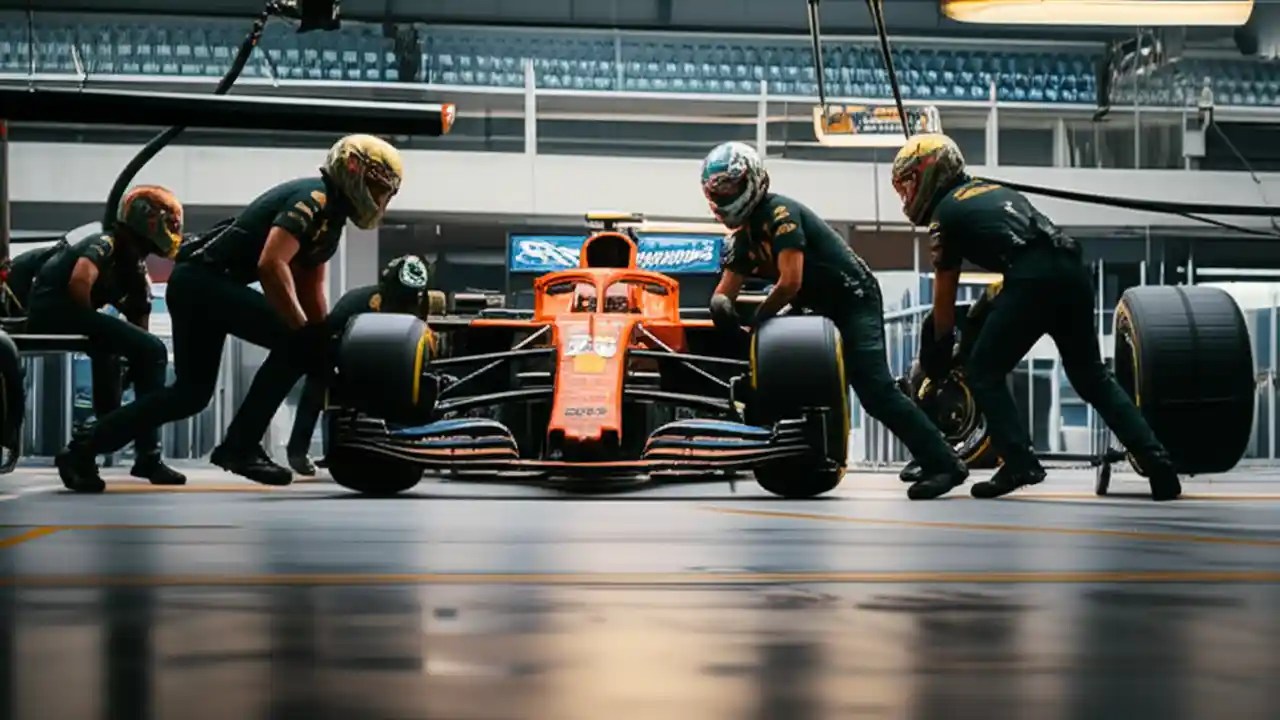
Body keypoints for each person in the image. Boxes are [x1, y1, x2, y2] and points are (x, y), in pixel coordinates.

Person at [55, 134, 405, 491]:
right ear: (353, 169)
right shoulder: (314, 199)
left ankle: (82, 447)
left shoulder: (330, 217)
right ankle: (241, 446)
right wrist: (306, 338)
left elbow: (310, 284)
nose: (379, 198)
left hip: (196, 285)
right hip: (205, 284)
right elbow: (271, 265)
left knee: (190, 394)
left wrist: (322, 340)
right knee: (294, 343)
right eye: (377, 186)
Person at [890, 132, 1181, 501]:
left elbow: (944, 298)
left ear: (931, 171)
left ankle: (1019, 460)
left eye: (909, 183)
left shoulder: (945, 214)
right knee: (1092, 377)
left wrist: (939, 355)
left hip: (1031, 279)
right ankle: (1158, 463)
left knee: (983, 371)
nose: (907, 196)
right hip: (1071, 270)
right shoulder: (992, 190)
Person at [700, 141, 969, 500]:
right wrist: (725, 315)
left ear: (751, 180)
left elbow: (790, 281)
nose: (725, 195)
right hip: (818, 308)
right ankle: (929, 450)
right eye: (717, 190)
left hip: (852, 297)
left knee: (875, 391)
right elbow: (723, 295)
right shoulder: (743, 239)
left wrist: (756, 322)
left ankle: (945, 464)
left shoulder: (780, 213)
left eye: (730, 186)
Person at [28, 186, 188, 492]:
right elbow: (79, 282)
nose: (173, 231)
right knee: (148, 351)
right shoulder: (106, 243)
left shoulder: (136, 269)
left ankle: (139, 452)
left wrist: (134, 359)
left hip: (83, 319)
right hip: (56, 310)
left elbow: (140, 324)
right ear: (148, 221)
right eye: (168, 223)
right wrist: (102, 327)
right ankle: (139, 455)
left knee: (139, 360)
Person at [276, 254, 431, 475]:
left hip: (394, 367)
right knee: (318, 385)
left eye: (412, 296)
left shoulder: (419, 304)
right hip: (348, 362)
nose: (407, 301)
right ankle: (298, 451)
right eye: (402, 295)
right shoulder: (358, 301)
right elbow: (327, 337)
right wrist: (330, 367)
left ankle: (415, 446)